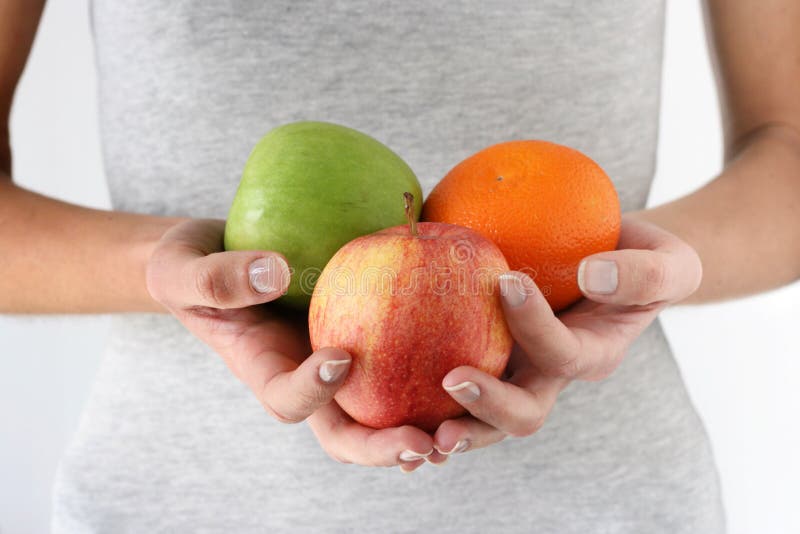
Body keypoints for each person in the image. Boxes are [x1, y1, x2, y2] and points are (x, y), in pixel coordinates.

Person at [2, 0, 798, 532]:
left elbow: (788, 150)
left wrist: (645, 274)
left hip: (602, 504)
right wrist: (175, 271)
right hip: (180, 501)